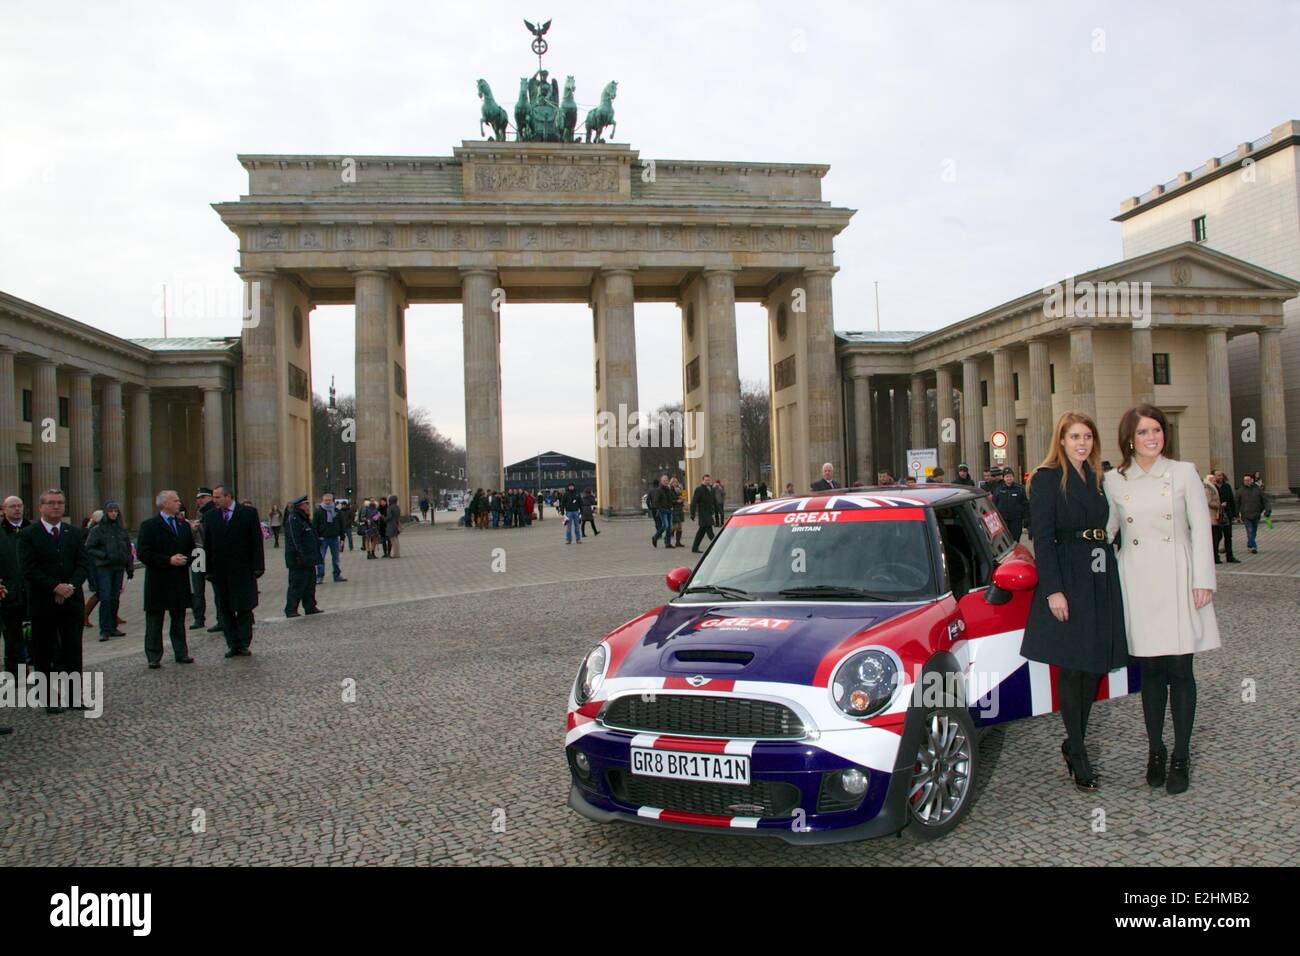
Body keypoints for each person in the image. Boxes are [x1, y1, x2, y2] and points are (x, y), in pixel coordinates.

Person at [1103, 404, 1217, 795]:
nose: (1152, 438)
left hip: (1179, 577)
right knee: (1151, 674)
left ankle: (1181, 756)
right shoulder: (1114, 481)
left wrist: (1203, 579)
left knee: (1181, 671)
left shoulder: (1183, 472)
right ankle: (1155, 750)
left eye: (1157, 430)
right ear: (1129, 440)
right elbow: (1107, 532)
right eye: (1144, 432)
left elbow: (1201, 529)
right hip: (1136, 580)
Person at [1019, 412, 1127, 792]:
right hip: (1068, 573)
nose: (1082, 443)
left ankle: (1072, 741)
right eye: (1075, 437)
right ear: (1061, 440)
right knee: (1073, 666)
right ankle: (1078, 750)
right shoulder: (1047, 478)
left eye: (1087, 437)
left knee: (1094, 664)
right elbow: (1042, 538)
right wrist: (1054, 590)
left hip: (1099, 574)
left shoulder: (1098, 478)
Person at [17, 489, 93, 711]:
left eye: (60, 503)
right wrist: (54, 587)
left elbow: (83, 564)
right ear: (41, 506)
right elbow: (28, 568)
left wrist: (70, 586)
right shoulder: (29, 534)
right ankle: (47, 697)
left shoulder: (74, 532)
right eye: (51, 503)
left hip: (71, 600)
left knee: (72, 649)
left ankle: (74, 697)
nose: (56, 507)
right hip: (43, 601)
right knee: (44, 651)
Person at [201, 484, 264, 658]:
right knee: (225, 609)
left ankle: (243, 643)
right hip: (221, 573)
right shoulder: (211, 517)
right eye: (213, 497)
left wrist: (258, 566)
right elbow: (207, 545)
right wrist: (207, 570)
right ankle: (232, 643)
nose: (214, 500)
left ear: (228, 497)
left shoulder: (248, 513)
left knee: (244, 608)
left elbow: (256, 541)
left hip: (243, 571)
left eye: (217, 497)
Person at [136, 490, 195, 669]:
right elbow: (144, 553)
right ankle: (153, 655)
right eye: (176, 500)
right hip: (158, 580)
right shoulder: (149, 525)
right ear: (165, 504)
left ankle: (181, 652)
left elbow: (191, 549)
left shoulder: (183, 526)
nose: (179, 503)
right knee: (155, 620)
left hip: (179, 579)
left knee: (178, 619)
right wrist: (168, 560)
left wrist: (186, 559)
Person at [84, 500, 133, 642]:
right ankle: (104, 630)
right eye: (111, 511)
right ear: (106, 513)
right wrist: (103, 555)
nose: (113, 513)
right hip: (104, 567)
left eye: (115, 511)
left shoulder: (121, 530)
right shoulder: (98, 529)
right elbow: (89, 547)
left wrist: (129, 567)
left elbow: (127, 550)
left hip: (118, 567)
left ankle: (112, 627)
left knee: (114, 598)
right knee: (105, 598)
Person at [1, 496, 31, 704]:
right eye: (13, 506)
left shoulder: (31, 529)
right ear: (4, 510)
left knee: (36, 632)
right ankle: (15, 672)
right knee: (12, 635)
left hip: (31, 590)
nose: (17, 509)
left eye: (20, 506)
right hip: (9, 592)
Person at [190, 488, 224, 634]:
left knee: (217, 588)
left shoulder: (214, 512)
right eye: (199, 498)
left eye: (203, 497)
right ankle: (199, 618)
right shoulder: (199, 513)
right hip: (198, 553)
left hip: (208, 553)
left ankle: (220, 618)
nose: (200, 500)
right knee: (198, 588)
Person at [284, 495, 323, 617]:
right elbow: (295, 539)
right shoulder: (294, 519)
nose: (308, 506)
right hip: (299, 559)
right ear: (300, 506)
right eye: (306, 504)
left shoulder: (304, 519)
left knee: (310, 584)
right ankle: (291, 609)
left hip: (309, 558)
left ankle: (310, 606)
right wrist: (299, 554)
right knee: (297, 585)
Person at [312, 492, 347, 584]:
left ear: (332, 501)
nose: (327, 502)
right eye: (325, 500)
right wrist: (317, 537)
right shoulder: (318, 511)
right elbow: (315, 526)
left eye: (329, 500)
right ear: (322, 500)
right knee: (320, 558)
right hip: (323, 538)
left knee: (336, 558)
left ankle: (337, 575)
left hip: (334, 537)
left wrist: (342, 537)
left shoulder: (336, 511)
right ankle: (320, 576)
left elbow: (341, 525)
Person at [991, 469, 1028, 541]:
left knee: (1015, 539)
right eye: (1007, 477)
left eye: (1010, 476)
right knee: (1005, 540)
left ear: (1013, 477)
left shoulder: (1020, 489)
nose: (1009, 478)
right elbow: (994, 503)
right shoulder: (999, 489)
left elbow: (1025, 504)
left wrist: (1026, 518)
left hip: (1016, 520)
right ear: (1004, 478)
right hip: (1003, 520)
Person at [1211, 471, 1239, 563]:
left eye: (1221, 475)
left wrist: (1235, 514)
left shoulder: (1226, 486)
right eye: (1218, 475)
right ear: (1214, 477)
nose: (1220, 477)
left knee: (1228, 536)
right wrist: (1219, 505)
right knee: (1217, 536)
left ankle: (1230, 556)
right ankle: (1215, 556)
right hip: (1216, 515)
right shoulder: (1212, 487)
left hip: (1226, 514)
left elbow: (1231, 500)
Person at [1236, 473, 1266, 554]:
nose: (1246, 482)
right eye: (1245, 480)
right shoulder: (1240, 491)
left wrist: (1267, 510)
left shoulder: (1258, 489)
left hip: (1256, 514)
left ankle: (1250, 544)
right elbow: (1237, 503)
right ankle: (1253, 547)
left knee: (1254, 532)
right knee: (1249, 530)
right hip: (1246, 515)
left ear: (1252, 480)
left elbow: (1264, 500)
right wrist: (1236, 515)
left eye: (1248, 480)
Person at [690, 474, 716, 553]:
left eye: (708, 480)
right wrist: (692, 513)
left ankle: (694, 548)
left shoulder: (710, 489)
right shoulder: (699, 489)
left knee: (701, 532)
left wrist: (717, 510)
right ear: (703, 480)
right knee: (710, 532)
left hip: (708, 513)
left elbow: (713, 501)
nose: (707, 481)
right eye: (706, 480)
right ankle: (717, 546)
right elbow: (694, 502)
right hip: (703, 514)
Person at [650, 475, 676, 548]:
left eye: (666, 480)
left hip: (669, 510)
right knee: (665, 525)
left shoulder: (668, 489)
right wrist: (660, 508)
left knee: (670, 527)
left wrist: (674, 503)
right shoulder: (659, 490)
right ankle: (655, 537)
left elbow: (671, 499)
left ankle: (668, 543)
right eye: (664, 480)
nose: (665, 482)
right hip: (663, 510)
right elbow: (655, 501)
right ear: (661, 481)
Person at [670, 479, 686, 548]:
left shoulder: (679, 490)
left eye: (676, 482)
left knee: (680, 527)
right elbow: (669, 500)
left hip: (680, 510)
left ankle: (678, 542)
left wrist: (682, 499)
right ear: (671, 483)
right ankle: (669, 535)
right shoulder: (670, 490)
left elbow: (681, 498)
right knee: (675, 526)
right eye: (673, 482)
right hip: (674, 510)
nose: (675, 483)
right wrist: (677, 501)